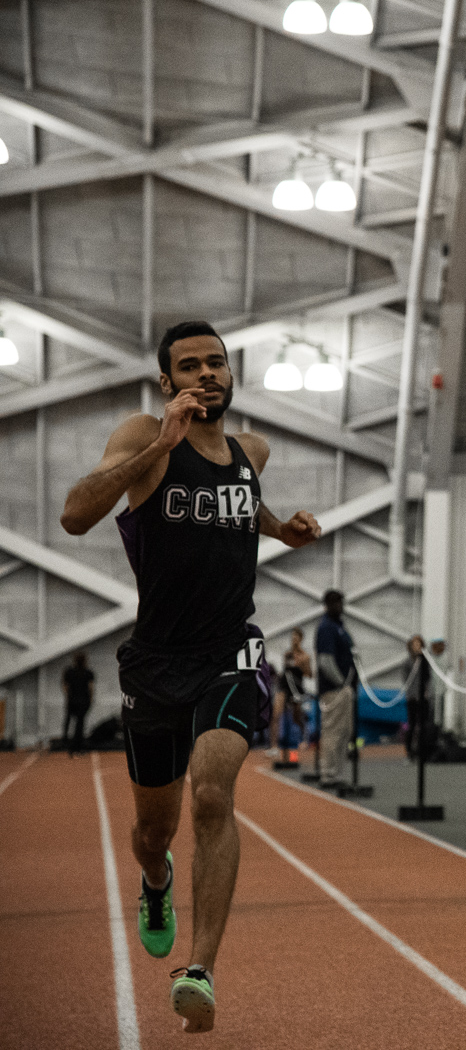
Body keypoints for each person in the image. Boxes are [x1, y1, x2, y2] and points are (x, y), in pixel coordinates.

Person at [59, 320, 321, 1032]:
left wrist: (279, 530)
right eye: (191, 366)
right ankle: (155, 882)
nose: (207, 374)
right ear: (166, 382)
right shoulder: (143, 435)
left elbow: (238, 503)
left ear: (231, 375)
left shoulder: (251, 450)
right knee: (153, 831)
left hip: (230, 651)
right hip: (155, 662)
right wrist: (158, 446)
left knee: (212, 793)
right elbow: (75, 515)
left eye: (218, 363)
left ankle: (200, 969)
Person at [315, 590, 356, 788]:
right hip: (333, 689)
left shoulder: (339, 627)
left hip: (343, 687)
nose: (341, 607)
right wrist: (340, 683)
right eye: (338, 603)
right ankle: (329, 774)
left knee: (344, 731)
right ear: (329, 605)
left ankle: (338, 773)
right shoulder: (326, 628)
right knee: (332, 731)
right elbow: (325, 661)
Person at [270, 629, 310, 761]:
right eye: (292, 637)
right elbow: (285, 670)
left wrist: (302, 664)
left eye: (296, 637)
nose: (293, 640)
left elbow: (310, 674)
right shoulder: (287, 654)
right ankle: (274, 747)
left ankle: (304, 738)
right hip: (283, 687)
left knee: (297, 716)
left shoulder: (305, 656)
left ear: (300, 639)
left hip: (296, 689)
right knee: (276, 715)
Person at [403, 635, 432, 762]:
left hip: (423, 698)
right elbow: (406, 681)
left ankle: (423, 751)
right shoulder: (407, 662)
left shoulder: (425, 661)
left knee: (423, 725)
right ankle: (409, 752)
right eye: (415, 645)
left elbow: (428, 678)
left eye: (419, 645)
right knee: (412, 724)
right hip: (412, 698)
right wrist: (411, 694)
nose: (417, 647)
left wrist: (426, 693)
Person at [61, 652, 94, 756]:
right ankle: (77, 746)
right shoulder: (87, 672)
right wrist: (91, 699)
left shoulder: (69, 671)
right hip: (83, 700)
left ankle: (67, 741)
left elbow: (65, 686)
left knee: (68, 721)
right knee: (80, 724)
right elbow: (90, 687)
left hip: (72, 700)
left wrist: (68, 696)